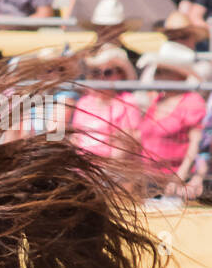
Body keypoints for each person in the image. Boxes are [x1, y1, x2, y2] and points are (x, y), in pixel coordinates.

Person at [136, 41, 207, 194]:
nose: (155, 75)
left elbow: (196, 144)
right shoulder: (157, 99)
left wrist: (179, 177)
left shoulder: (192, 102)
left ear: (178, 75)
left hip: (175, 182)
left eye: (161, 71)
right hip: (149, 179)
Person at [69, 45, 141, 160]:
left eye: (108, 73)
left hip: (111, 167)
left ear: (120, 74)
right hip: (82, 165)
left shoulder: (127, 101)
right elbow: (76, 137)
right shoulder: (84, 102)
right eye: (96, 72)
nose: (101, 77)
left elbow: (125, 144)